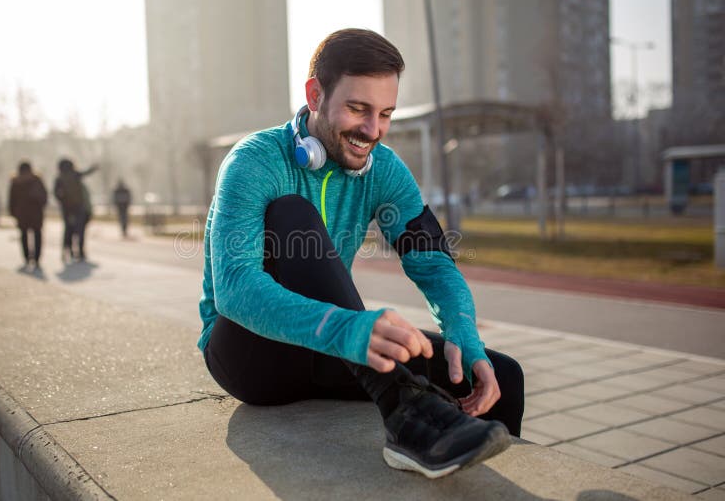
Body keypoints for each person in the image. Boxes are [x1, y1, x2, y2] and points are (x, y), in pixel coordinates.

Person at [199, 29, 523, 479]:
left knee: (498, 376)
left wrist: (462, 334)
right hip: (252, 358)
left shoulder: (384, 169)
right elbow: (234, 288)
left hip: (333, 349)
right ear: (316, 94)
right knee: (294, 216)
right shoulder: (255, 161)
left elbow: (431, 260)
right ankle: (407, 423)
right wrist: (348, 326)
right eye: (358, 109)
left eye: (385, 113)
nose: (372, 130)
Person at [54, 158, 97, 262]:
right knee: (80, 230)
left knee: (68, 230)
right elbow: (85, 173)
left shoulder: (59, 179)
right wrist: (93, 168)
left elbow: (56, 194)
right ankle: (80, 252)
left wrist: (63, 202)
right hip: (79, 208)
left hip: (66, 209)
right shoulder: (75, 175)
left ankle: (67, 251)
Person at [8, 161, 47, 270]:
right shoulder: (36, 180)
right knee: (37, 235)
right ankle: (37, 259)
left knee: (24, 235)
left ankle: (26, 258)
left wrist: (12, 213)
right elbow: (44, 195)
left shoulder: (16, 182)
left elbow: (11, 199)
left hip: (22, 214)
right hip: (36, 213)